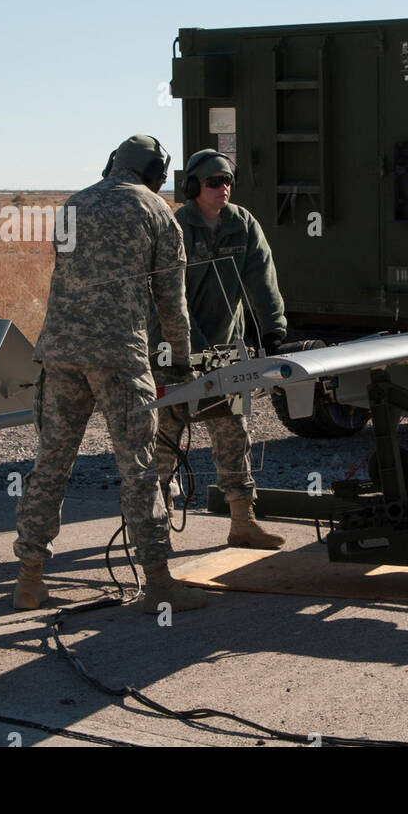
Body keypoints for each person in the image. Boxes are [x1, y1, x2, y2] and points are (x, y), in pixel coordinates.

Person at [13, 135, 206, 614]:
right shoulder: (157, 212)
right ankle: (158, 584)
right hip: (119, 357)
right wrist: (180, 362)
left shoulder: (74, 204)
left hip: (58, 353)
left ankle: (28, 580)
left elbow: (66, 273)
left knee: (51, 464)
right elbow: (171, 300)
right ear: (156, 172)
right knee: (139, 469)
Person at [150, 149, 288, 548]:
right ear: (194, 187)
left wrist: (273, 328)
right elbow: (167, 295)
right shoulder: (174, 227)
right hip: (173, 349)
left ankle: (242, 521)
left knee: (232, 434)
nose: (223, 188)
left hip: (224, 350)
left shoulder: (242, 224)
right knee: (166, 437)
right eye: (214, 182)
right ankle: (160, 523)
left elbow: (263, 278)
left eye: (227, 181)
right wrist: (191, 347)